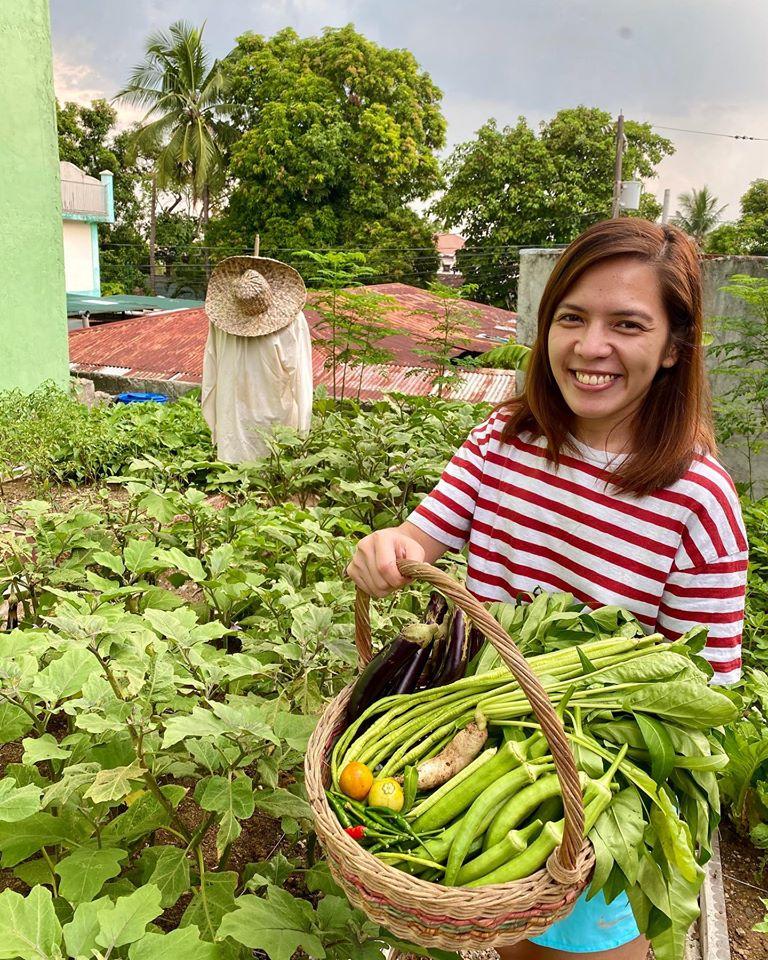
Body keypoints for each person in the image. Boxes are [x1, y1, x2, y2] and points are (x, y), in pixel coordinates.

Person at [346, 218, 748, 959]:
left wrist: (588, 777)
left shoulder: (698, 500)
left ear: (672, 348)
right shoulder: (503, 440)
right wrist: (387, 551)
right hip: (473, 748)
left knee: (586, 947)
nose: (590, 347)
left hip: (590, 795)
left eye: (627, 325)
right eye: (572, 317)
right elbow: (418, 539)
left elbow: (704, 690)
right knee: (510, 944)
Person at [202, 255, 313, 463]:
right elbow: (302, 377)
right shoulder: (219, 324)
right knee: (272, 463)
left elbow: (210, 370)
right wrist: (303, 432)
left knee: (239, 469)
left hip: (234, 419)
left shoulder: (292, 321)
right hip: (270, 417)